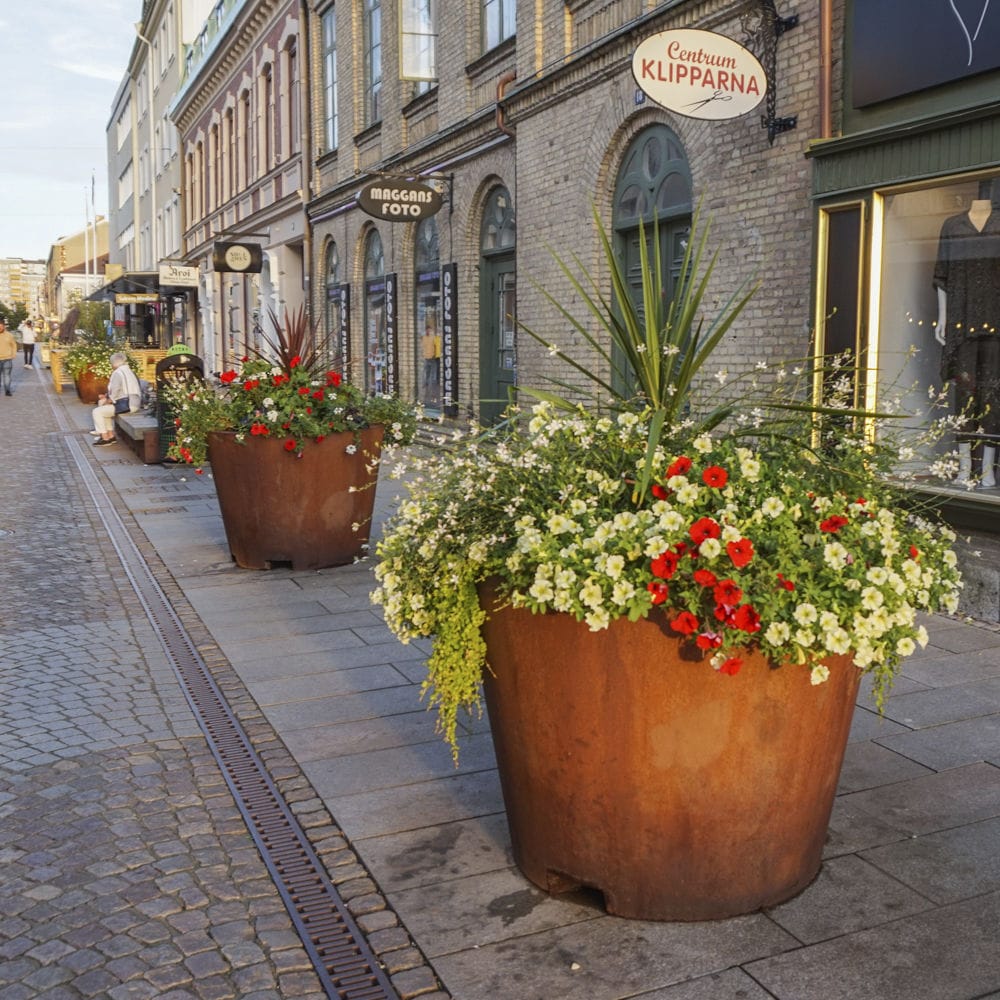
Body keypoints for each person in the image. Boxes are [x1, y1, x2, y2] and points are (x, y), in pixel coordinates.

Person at [933, 196, 1000, 487]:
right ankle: (964, 467)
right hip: (962, 322)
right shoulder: (952, 225)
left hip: (996, 323)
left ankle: (987, 470)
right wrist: (943, 318)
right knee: (964, 394)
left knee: (992, 395)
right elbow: (942, 274)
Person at [91, 352, 141, 447]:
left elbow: (114, 392)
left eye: (111, 363)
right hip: (134, 403)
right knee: (103, 405)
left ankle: (105, 438)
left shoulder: (118, 373)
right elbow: (120, 390)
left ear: (114, 363)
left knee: (97, 411)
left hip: (127, 404)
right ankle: (110, 436)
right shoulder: (128, 371)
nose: (111, 366)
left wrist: (107, 401)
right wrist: (106, 397)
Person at [0, 318, 17, 396]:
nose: (0, 328)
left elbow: (14, 345)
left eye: (1, 326)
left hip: (7, 358)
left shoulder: (9, 335)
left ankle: (7, 390)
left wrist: (14, 354)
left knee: (7, 375)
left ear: (4, 326)